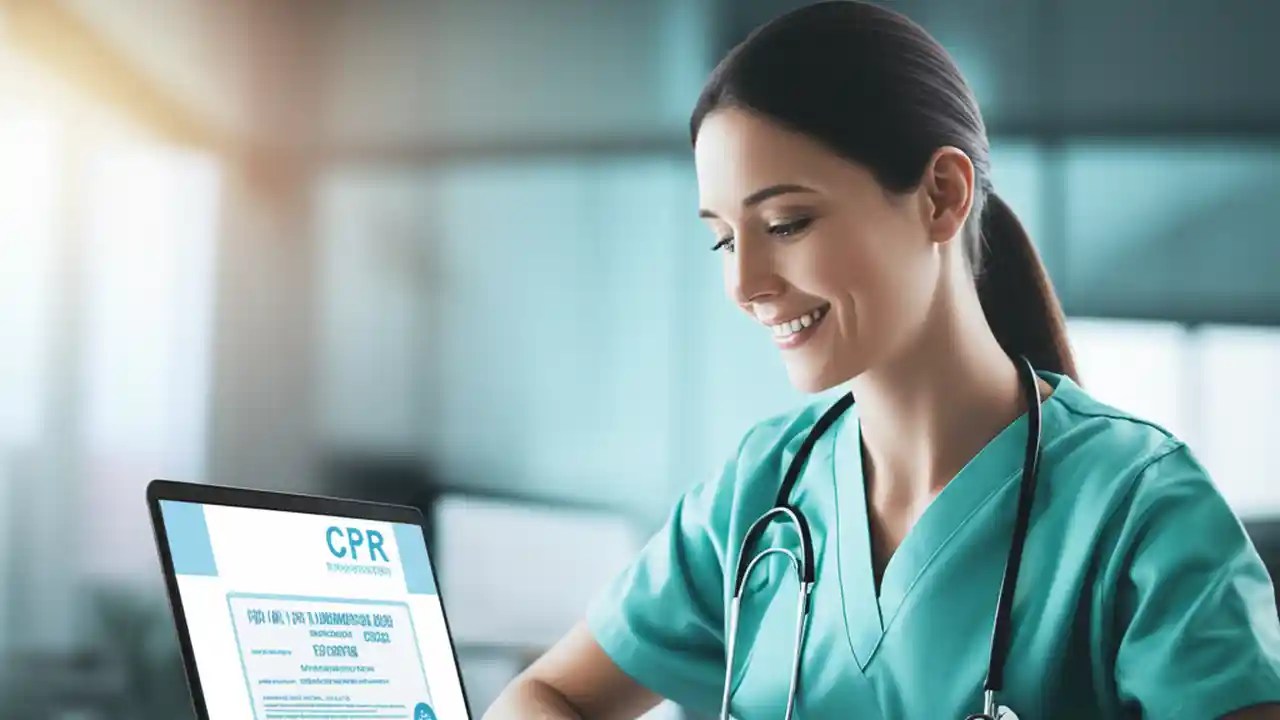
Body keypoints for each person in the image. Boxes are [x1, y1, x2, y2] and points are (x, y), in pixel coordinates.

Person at [484, 2, 1280, 718]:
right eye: (725, 238)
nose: (744, 283)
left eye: (788, 222)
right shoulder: (759, 493)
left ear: (940, 195)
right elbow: (544, 695)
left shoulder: (1140, 509)